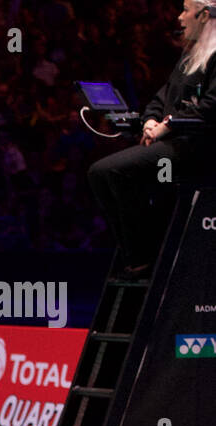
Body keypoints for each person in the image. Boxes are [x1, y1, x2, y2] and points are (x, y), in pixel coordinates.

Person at [88, 0, 216, 276]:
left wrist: (165, 127)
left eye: (185, 10)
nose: (179, 17)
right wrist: (149, 121)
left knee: (111, 171)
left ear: (204, 15)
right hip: (173, 143)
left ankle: (142, 255)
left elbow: (209, 108)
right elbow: (162, 98)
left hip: (196, 148)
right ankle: (139, 250)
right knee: (99, 174)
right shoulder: (190, 57)